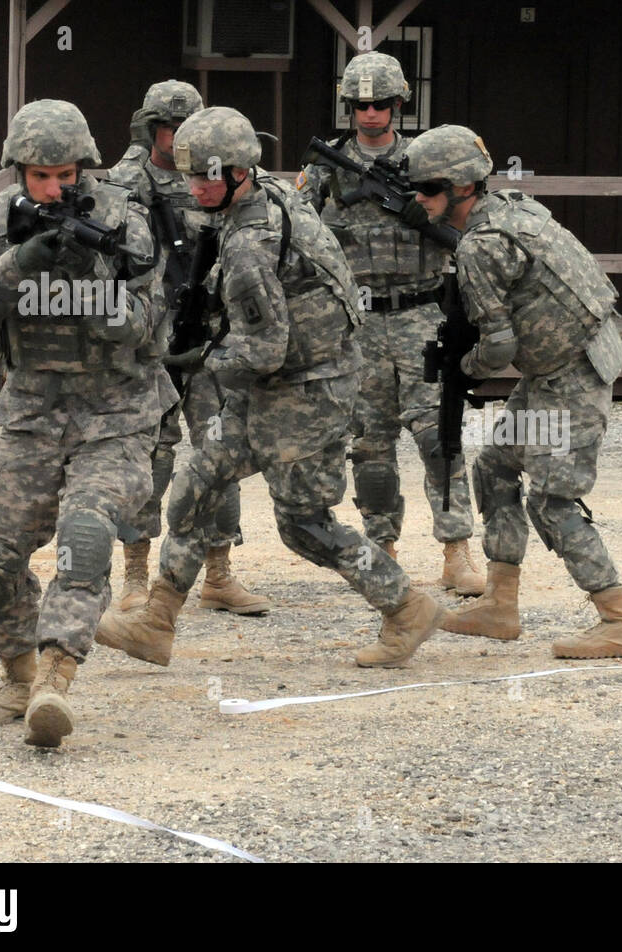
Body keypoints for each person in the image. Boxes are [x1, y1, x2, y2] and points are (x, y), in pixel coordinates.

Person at [96, 107, 445, 669]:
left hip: (308, 391)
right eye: (190, 175)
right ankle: (156, 622)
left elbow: (262, 350)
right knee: (195, 486)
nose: (195, 188)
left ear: (238, 171)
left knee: (304, 526)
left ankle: (405, 607)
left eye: (208, 175)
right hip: (286, 382)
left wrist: (197, 357)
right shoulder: (265, 196)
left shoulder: (249, 245)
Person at [0, 99, 169, 746]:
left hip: (115, 413)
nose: (53, 188)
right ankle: (16, 676)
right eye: (39, 176)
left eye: (65, 175)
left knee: (86, 538)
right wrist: (19, 266)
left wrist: (93, 278)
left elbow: (147, 328)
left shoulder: (122, 220)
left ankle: (55, 681)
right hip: (32, 413)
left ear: (85, 168)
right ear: (18, 171)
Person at [403, 125, 622, 659]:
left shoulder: (482, 247)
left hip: (572, 375)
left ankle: (619, 621)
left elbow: (496, 347)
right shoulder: (515, 209)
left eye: (427, 188)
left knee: (551, 499)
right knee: (495, 465)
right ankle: (500, 604)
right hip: (556, 370)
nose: (418, 200)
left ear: (462, 187)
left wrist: (458, 368)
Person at [297, 51, 484, 595]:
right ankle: (381, 548)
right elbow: (292, 219)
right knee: (370, 445)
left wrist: (423, 214)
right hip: (359, 320)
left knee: (438, 435)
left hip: (422, 312)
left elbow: (466, 213)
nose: (371, 114)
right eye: (360, 105)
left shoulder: (424, 160)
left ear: (399, 104)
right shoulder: (328, 167)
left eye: (381, 104)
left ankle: (456, 549)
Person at [108, 79, 270, 616]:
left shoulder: (222, 177)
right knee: (149, 452)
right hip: (149, 335)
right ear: (149, 128)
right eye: (167, 128)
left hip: (207, 333)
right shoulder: (124, 182)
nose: (176, 138)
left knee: (217, 447)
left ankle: (219, 572)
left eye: (185, 129)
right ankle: (135, 574)